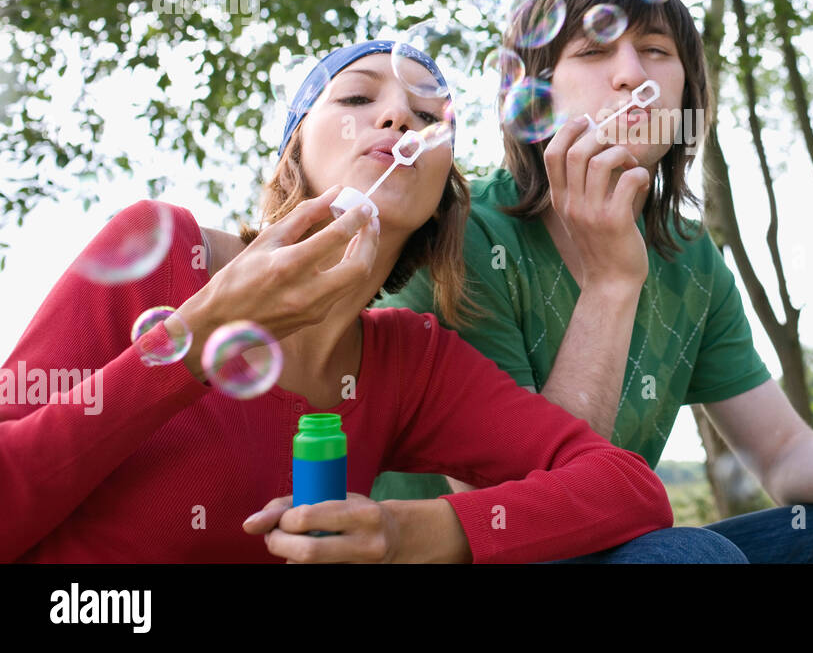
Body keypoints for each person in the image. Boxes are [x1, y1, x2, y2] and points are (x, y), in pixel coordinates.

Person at [373, 0, 813, 562]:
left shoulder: (689, 258)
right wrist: (612, 282)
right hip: (483, 551)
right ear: (534, 94)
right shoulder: (461, 236)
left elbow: (786, 455)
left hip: (613, 547)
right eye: (593, 51)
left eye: (657, 50)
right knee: (688, 557)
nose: (632, 75)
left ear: (688, 93)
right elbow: (516, 513)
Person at [0, 40, 672, 563]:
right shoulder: (163, 250)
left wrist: (406, 533)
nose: (396, 116)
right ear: (295, 147)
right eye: (356, 98)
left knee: (692, 554)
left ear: (441, 196)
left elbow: (628, 489)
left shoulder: (409, 360)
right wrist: (197, 333)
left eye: (426, 114)